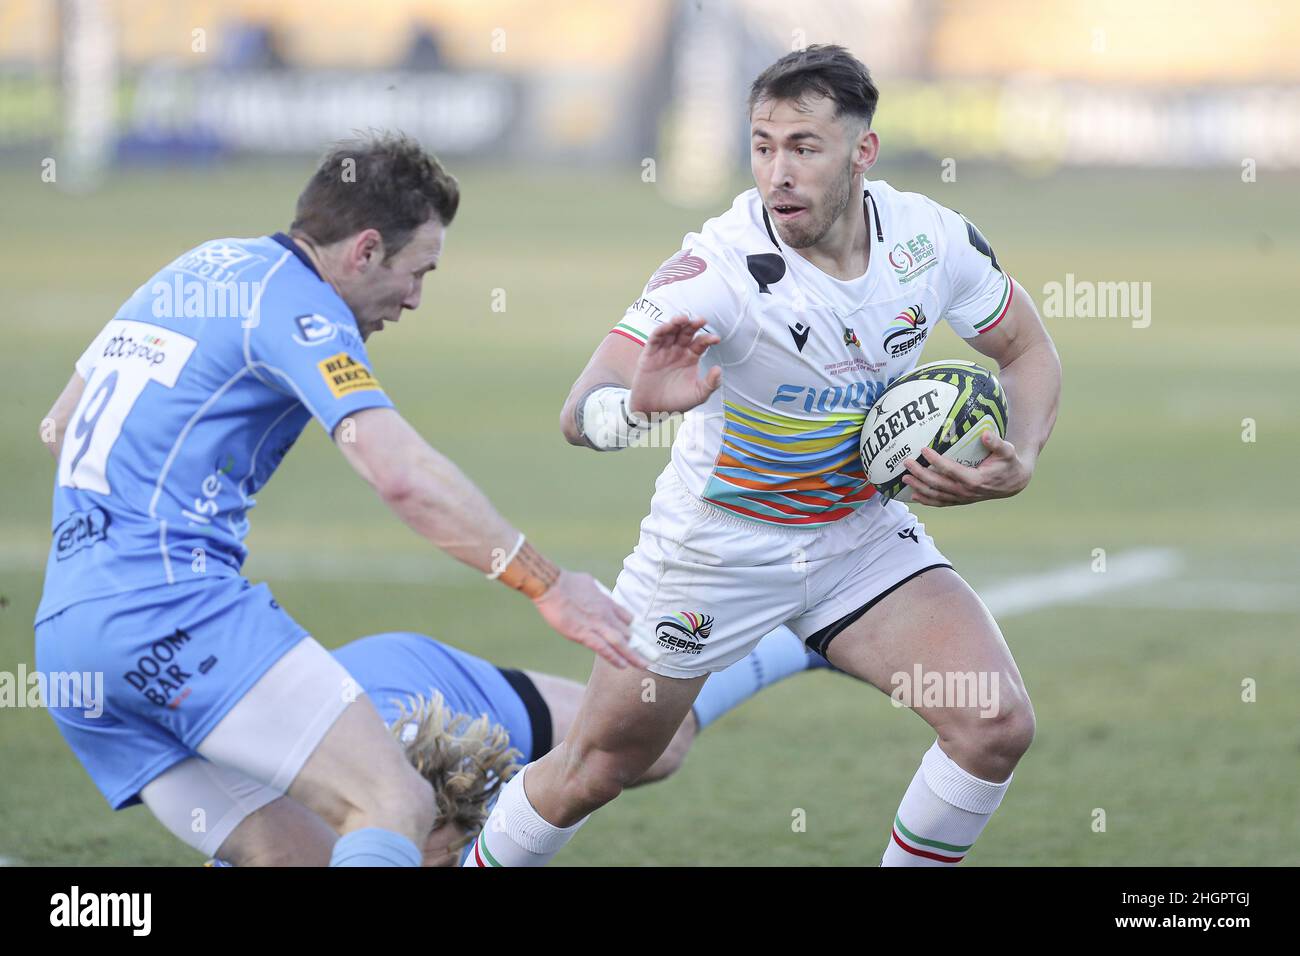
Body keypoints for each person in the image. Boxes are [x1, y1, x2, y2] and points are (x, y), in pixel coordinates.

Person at [469, 45, 1061, 867]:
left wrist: (1022, 454)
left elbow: (1028, 351)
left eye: (803, 147)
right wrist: (638, 408)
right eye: (762, 145)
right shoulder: (719, 269)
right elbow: (581, 410)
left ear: (863, 152)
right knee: (599, 768)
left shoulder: (929, 242)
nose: (776, 171)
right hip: (714, 553)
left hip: (857, 539)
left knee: (994, 724)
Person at [35, 133, 641, 869]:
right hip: (171, 612)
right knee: (395, 805)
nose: (415, 298)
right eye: (417, 271)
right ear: (362, 251)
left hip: (70, 639)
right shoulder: (296, 305)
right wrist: (548, 585)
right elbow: (402, 476)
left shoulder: (197, 267)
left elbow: (60, 424)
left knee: (304, 855)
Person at [177, 625, 829, 866]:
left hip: (445, 689)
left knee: (656, 747)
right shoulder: (286, 830)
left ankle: (796, 640)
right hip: (337, 706)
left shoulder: (463, 774)